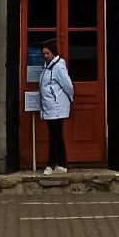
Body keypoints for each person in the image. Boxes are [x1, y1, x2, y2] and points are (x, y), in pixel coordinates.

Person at [37, 40, 73, 174]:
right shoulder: (47, 66)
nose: (45, 55)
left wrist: (69, 99)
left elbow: (68, 85)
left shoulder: (58, 67)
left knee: (54, 136)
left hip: (57, 107)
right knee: (57, 135)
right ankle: (62, 164)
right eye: (43, 53)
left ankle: (51, 165)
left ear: (53, 53)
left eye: (47, 53)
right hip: (49, 106)